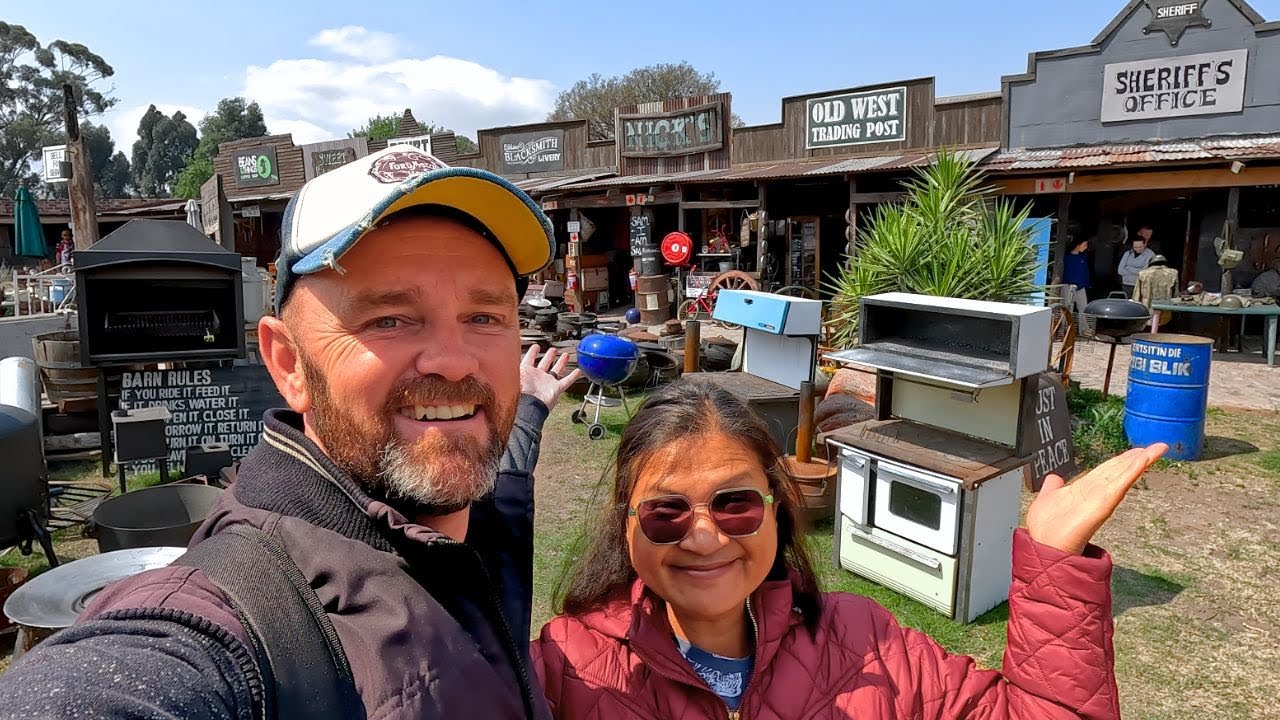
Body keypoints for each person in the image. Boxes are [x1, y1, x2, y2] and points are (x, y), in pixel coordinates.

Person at [0, 146, 579, 719]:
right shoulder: (232, 623)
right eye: (389, 319)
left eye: (485, 317)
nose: (455, 361)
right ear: (290, 365)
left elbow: (507, 465)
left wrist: (529, 403)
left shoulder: (481, 505)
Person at [534, 379, 1166, 719]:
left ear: (778, 512)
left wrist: (1054, 562)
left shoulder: (867, 642)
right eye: (667, 511)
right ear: (627, 525)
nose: (704, 537)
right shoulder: (563, 668)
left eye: (736, 504)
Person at [1061, 237, 1092, 335]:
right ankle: (1064, 329)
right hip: (1068, 286)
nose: (1086, 247)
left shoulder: (1082, 257)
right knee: (1066, 307)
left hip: (1081, 287)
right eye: (1084, 245)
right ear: (1077, 245)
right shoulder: (1066, 258)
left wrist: (1086, 284)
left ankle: (1084, 330)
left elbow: (1085, 272)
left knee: (1084, 307)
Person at [1117, 226, 1156, 298]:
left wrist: (1128, 268)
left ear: (1145, 244)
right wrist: (1136, 270)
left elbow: (1144, 272)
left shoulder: (1150, 254)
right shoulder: (1127, 253)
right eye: (1135, 247)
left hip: (1141, 285)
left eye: (1140, 247)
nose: (1138, 249)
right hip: (1126, 284)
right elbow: (1120, 270)